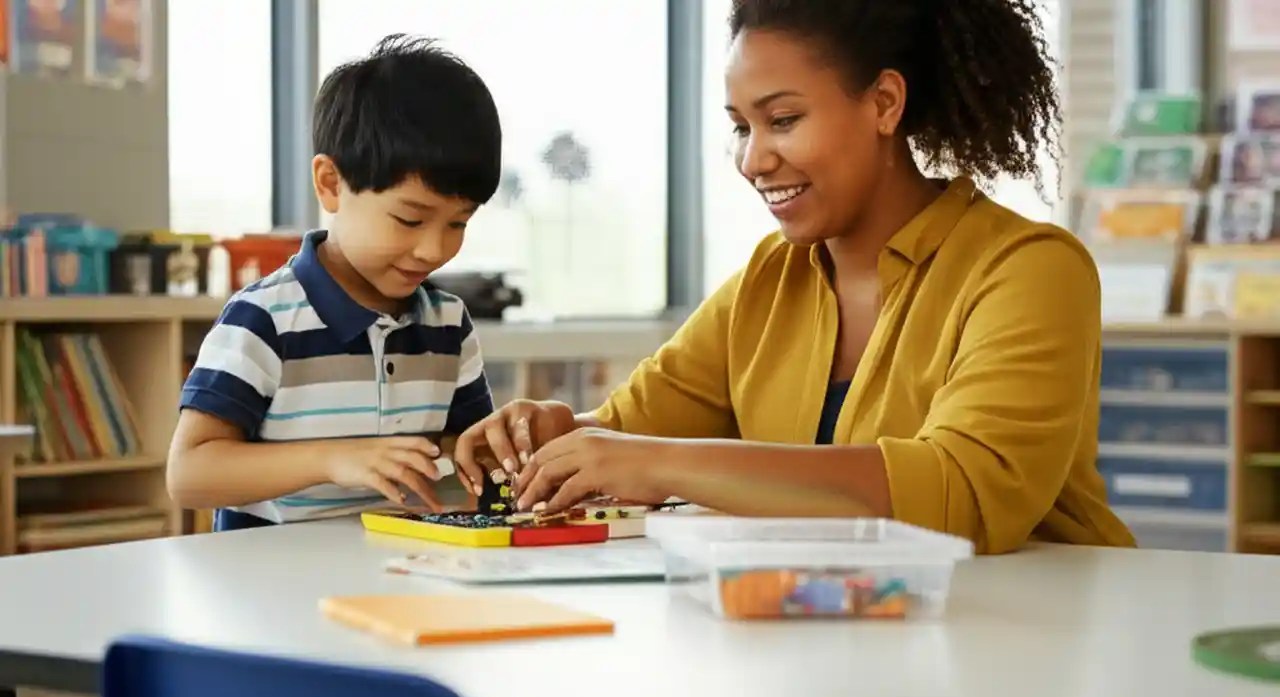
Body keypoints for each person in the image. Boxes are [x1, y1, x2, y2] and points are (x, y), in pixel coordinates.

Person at [455, 0, 1136, 554]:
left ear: (884, 103)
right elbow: (629, 432)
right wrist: (556, 435)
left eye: (782, 120)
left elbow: (964, 494)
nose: (753, 160)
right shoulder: (769, 280)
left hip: (1029, 634)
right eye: (741, 127)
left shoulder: (1029, 270)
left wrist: (651, 462)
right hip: (840, 631)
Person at [167, 35, 500, 530]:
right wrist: (332, 458)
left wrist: (503, 447)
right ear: (330, 184)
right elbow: (189, 474)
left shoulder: (448, 323)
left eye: (458, 223)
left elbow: (468, 451)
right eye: (410, 220)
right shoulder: (264, 319)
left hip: (397, 565)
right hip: (269, 571)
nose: (434, 250)